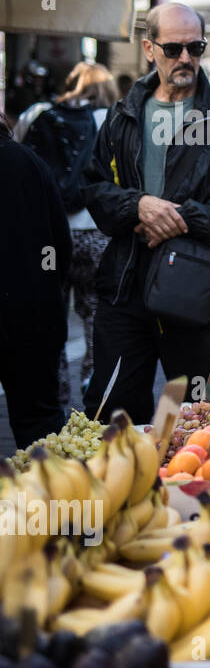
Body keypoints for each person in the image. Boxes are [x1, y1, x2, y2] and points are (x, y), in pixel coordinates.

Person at [81, 2, 210, 423]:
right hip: (126, 290)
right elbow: (92, 189)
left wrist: (182, 218)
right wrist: (138, 206)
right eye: (173, 48)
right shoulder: (122, 114)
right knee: (110, 417)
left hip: (206, 296)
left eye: (195, 47)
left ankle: (206, 491)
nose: (185, 58)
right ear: (149, 49)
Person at [24, 63, 118, 398]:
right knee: (96, 314)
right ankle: (93, 387)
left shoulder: (39, 114)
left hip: (49, 234)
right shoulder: (109, 119)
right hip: (96, 234)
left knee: (52, 315)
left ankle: (56, 391)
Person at [0, 116, 71, 447]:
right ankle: (50, 493)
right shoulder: (28, 161)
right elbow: (60, 242)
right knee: (39, 425)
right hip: (31, 309)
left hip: (30, 307)